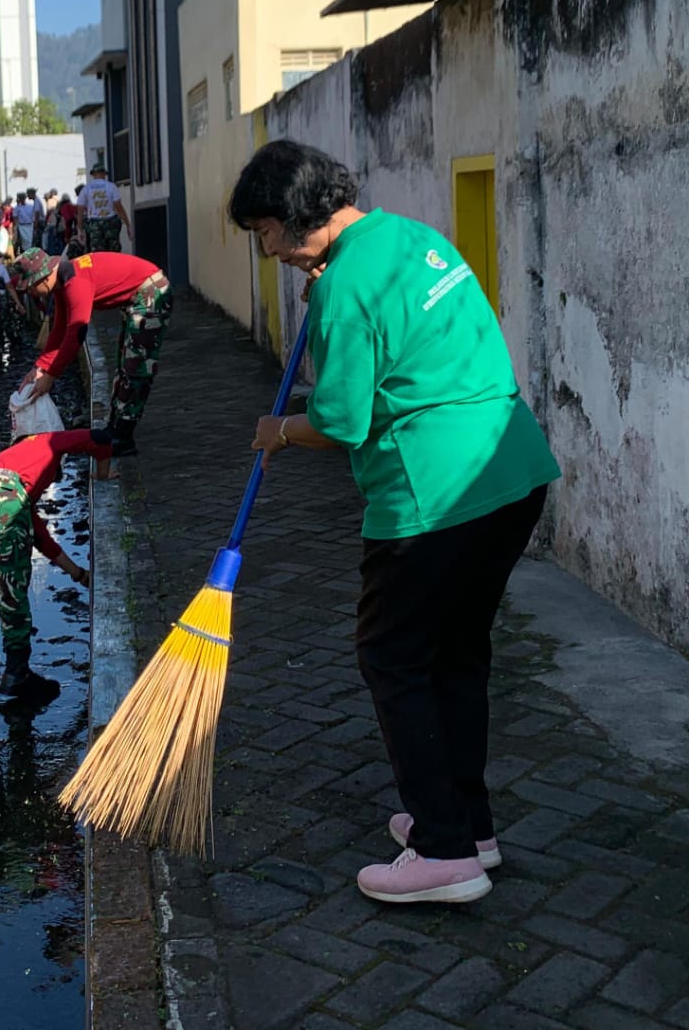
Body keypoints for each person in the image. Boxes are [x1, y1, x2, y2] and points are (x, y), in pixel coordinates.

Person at [231, 139, 561, 905]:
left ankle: (445, 852)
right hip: (509, 471)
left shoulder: (343, 285)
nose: (268, 251)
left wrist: (278, 431)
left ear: (292, 217)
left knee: (393, 657)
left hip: (432, 496)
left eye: (264, 232)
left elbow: (342, 420)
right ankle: (466, 825)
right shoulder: (413, 237)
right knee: (455, 654)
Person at [0, 428, 114, 703]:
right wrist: (102, 475)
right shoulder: (47, 441)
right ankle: (17, 673)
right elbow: (100, 438)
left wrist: (78, 574)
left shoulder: (11, 465)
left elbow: (40, 538)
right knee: (12, 584)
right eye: (55, 478)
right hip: (1, 495)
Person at [10, 247, 172, 455]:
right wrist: (40, 367)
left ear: (44, 277)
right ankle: (115, 429)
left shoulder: (76, 283)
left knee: (136, 365)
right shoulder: (62, 282)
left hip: (151, 293)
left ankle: (123, 437)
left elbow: (76, 332)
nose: (31, 292)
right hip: (136, 299)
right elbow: (59, 328)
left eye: (31, 287)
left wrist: (51, 376)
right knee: (124, 362)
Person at [76, 162, 132, 252]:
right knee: (114, 252)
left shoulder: (86, 189)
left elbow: (80, 211)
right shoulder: (111, 187)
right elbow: (119, 208)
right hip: (111, 222)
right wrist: (128, 225)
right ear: (104, 174)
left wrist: (80, 229)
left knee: (98, 254)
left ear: (93, 174)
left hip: (95, 224)